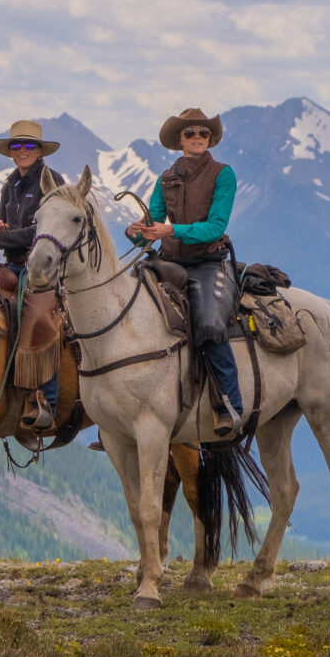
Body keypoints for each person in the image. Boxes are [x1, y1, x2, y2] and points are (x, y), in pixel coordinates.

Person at [125, 107, 242, 439]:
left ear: (210, 138)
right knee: (126, 308)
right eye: (189, 133)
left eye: (203, 133)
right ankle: (120, 410)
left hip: (207, 262)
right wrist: (138, 231)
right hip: (169, 261)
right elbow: (154, 219)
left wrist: (169, 231)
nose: (197, 138)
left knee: (208, 321)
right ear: (179, 140)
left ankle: (229, 405)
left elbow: (215, 227)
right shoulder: (166, 178)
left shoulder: (223, 175)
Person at [0, 120, 66, 431]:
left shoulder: (51, 181)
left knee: (38, 316)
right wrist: (1, 231)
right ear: (10, 152)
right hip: (13, 264)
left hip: (43, 269)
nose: (22, 151)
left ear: (40, 150)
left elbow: (42, 231)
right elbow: (7, 226)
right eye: (16, 146)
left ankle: (46, 400)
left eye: (29, 145)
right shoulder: (9, 185)